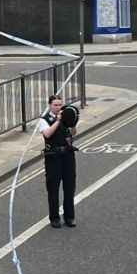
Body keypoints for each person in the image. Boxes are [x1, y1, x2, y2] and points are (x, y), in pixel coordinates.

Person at [39, 94, 78, 228]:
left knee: (69, 188)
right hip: (53, 158)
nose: (58, 107)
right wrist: (58, 121)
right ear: (49, 105)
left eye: (60, 105)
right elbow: (47, 134)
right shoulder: (44, 120)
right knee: (53, 190)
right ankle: (54, 218)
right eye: (55, 105)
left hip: (68, 157)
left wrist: (73, 123)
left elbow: (73, 133)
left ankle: (69, 217)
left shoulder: (66, 117)